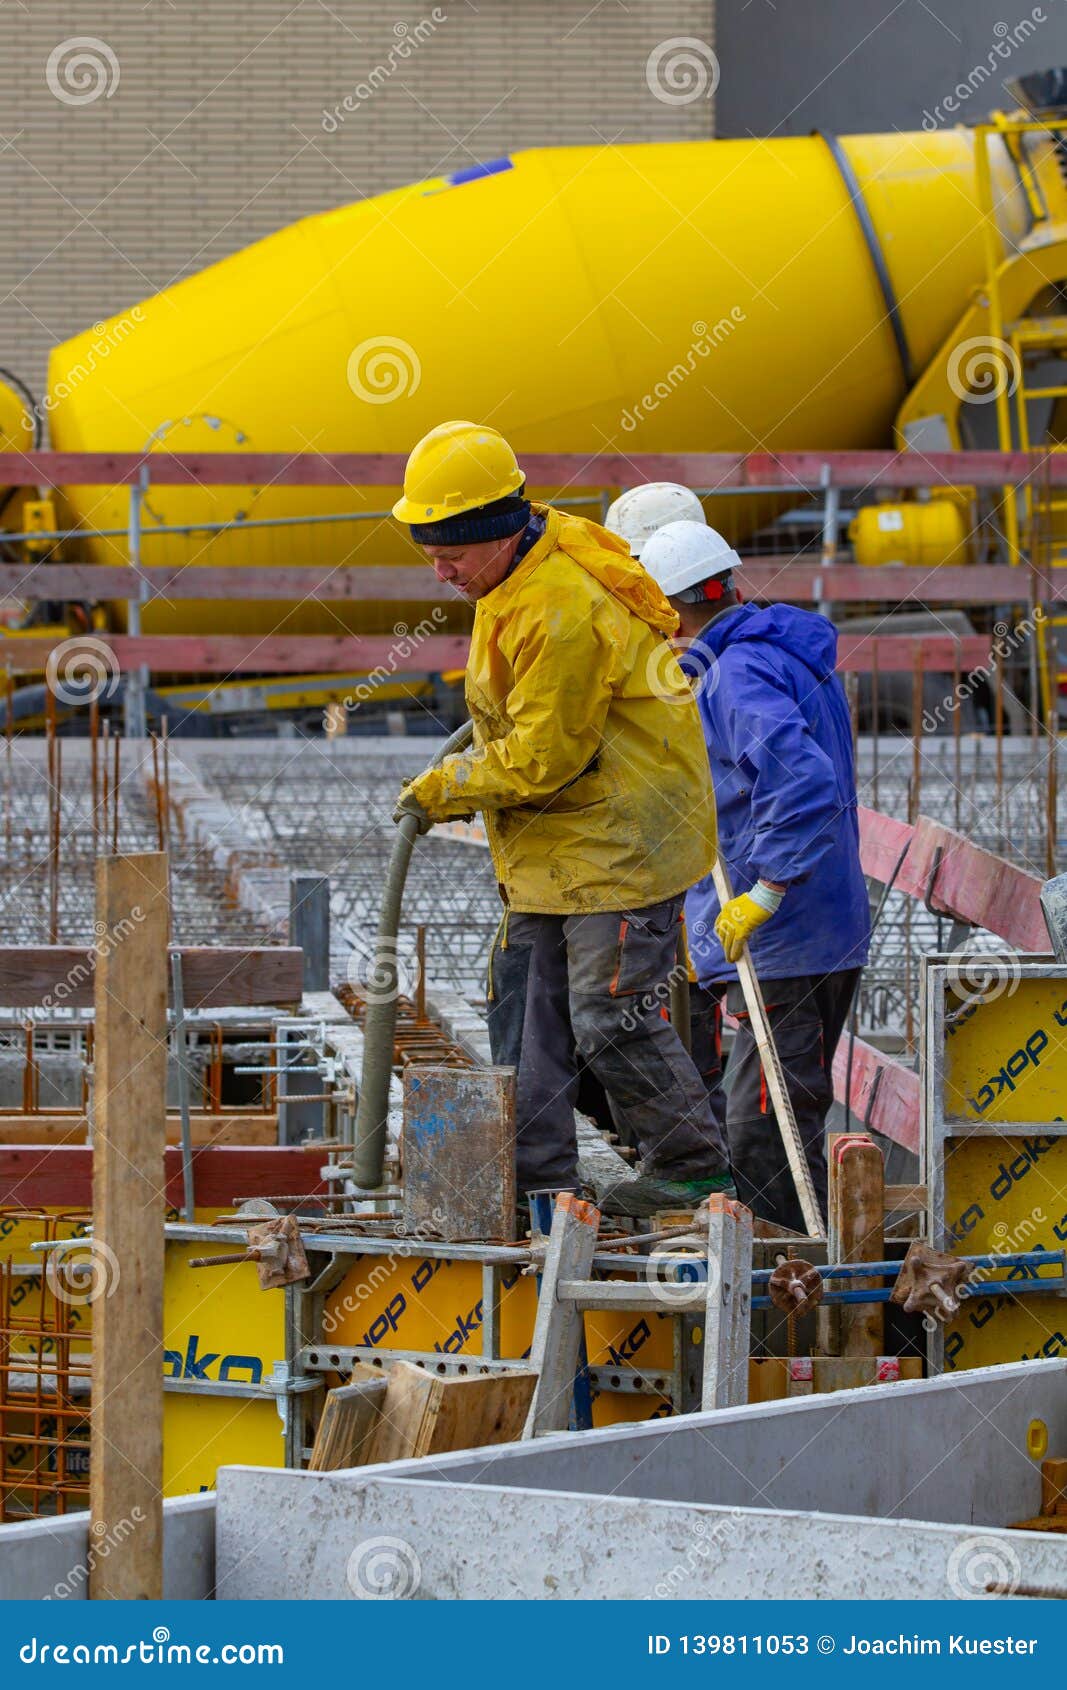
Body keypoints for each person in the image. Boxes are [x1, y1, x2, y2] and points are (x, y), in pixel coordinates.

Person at [390, 421, 733, 1214]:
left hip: (619, 841)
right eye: (427, 552)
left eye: (451, 552)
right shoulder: (514, 564)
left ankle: (691, 1166)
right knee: (525, 1002)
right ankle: (539, 1175)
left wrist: (445, 788)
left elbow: (545, 757)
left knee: (608, 1013)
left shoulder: (561, 603)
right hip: (558, 838)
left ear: (496, 530)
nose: (439, 570)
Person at [637, 518, 871, 1234]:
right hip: (815, 925)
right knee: (773, 1109)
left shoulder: (737, 675)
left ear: (669, 608)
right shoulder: (772, 656)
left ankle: (779, 1289)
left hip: (785, 936)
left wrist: (763, 892)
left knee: (763, 1126)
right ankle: (782, 1262)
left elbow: (800, 780)